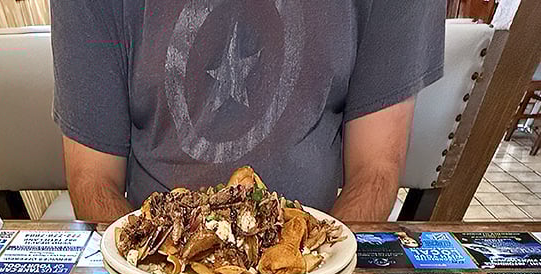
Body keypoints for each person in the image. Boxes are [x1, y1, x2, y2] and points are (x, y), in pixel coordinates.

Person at [50, 1, 445, 224]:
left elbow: (374, 172)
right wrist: (153, 260)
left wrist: (314, 261)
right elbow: (93, 177)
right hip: (153, 264)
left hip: (315, 254)